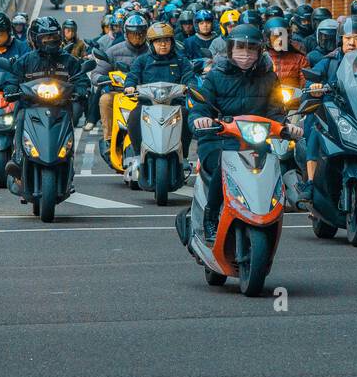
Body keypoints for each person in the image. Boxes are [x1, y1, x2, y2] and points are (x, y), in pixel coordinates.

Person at [186, 23, 291, 242]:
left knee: (275, 163)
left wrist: (286, 127)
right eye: (240, 48)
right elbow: (200, 108)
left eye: (251, 49)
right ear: (230, 50)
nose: (245, 55)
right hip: (218, 140)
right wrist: (200, 119)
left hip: (255, 141)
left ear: (259, 51)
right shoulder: (215, 76)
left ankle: (266, 213)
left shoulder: (269, 77)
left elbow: (277, 110)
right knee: (221, 165)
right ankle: (210, 217)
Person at [3, 17, 90, 196]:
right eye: (45, 38)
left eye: (53, 37)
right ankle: (18, 157)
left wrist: (81, 89)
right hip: (30, 107)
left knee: (70, 124)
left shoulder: (69, 60)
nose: (50, 41)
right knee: (18, 116)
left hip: (60, 108)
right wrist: (11, 89)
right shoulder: (26, 60)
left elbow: (81, 78)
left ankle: (67, 162)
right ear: (36, 39)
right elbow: (12, 78)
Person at [123, 21, 193, 161]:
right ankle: (138, 155)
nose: (163, 44)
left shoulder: (181, 60)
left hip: (174, 105)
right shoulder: (142, 60)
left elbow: (189, 77)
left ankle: (183, 156)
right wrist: (129, 86)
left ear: (172, 42)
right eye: (158, 41)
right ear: (151, 44)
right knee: (133, 118)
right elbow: (132, 76)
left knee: (187, 116)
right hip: (147, 105)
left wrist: (190, 86)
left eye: (166, 40)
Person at [94, 13, 150, 144]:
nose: (137, 36)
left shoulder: (153, 52)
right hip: (120, 94)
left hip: (148, 94)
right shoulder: (114, 51)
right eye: (133, 33)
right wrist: (105, 78)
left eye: (141, 33)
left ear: (146, 33)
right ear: (126, 33)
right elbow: (96, 74)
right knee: (105, 99)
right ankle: (109, 139)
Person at [263, 15, 307, 86]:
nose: (280, 39)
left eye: (283, 35)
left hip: (293, 96)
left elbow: (306, 83)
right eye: (276, 36)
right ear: (268, 38)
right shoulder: (262, 59)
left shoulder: (300, 59)